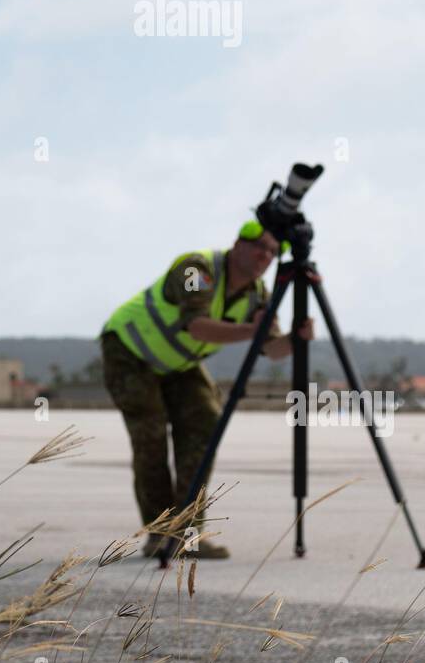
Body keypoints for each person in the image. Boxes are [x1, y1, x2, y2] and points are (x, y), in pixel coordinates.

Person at [100, 220, 314, 558]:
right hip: (130, 351)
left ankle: (186, 535)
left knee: (206, 426)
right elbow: (197, 327)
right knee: (151, 437)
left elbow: (271, 350)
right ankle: (160, 534)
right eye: (259, 245)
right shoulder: (196, 269)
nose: (265, 255)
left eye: (273, 251)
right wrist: (250, 331)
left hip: (179, 364)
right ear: (237, 244)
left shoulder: (259, 294)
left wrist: (297, 339)